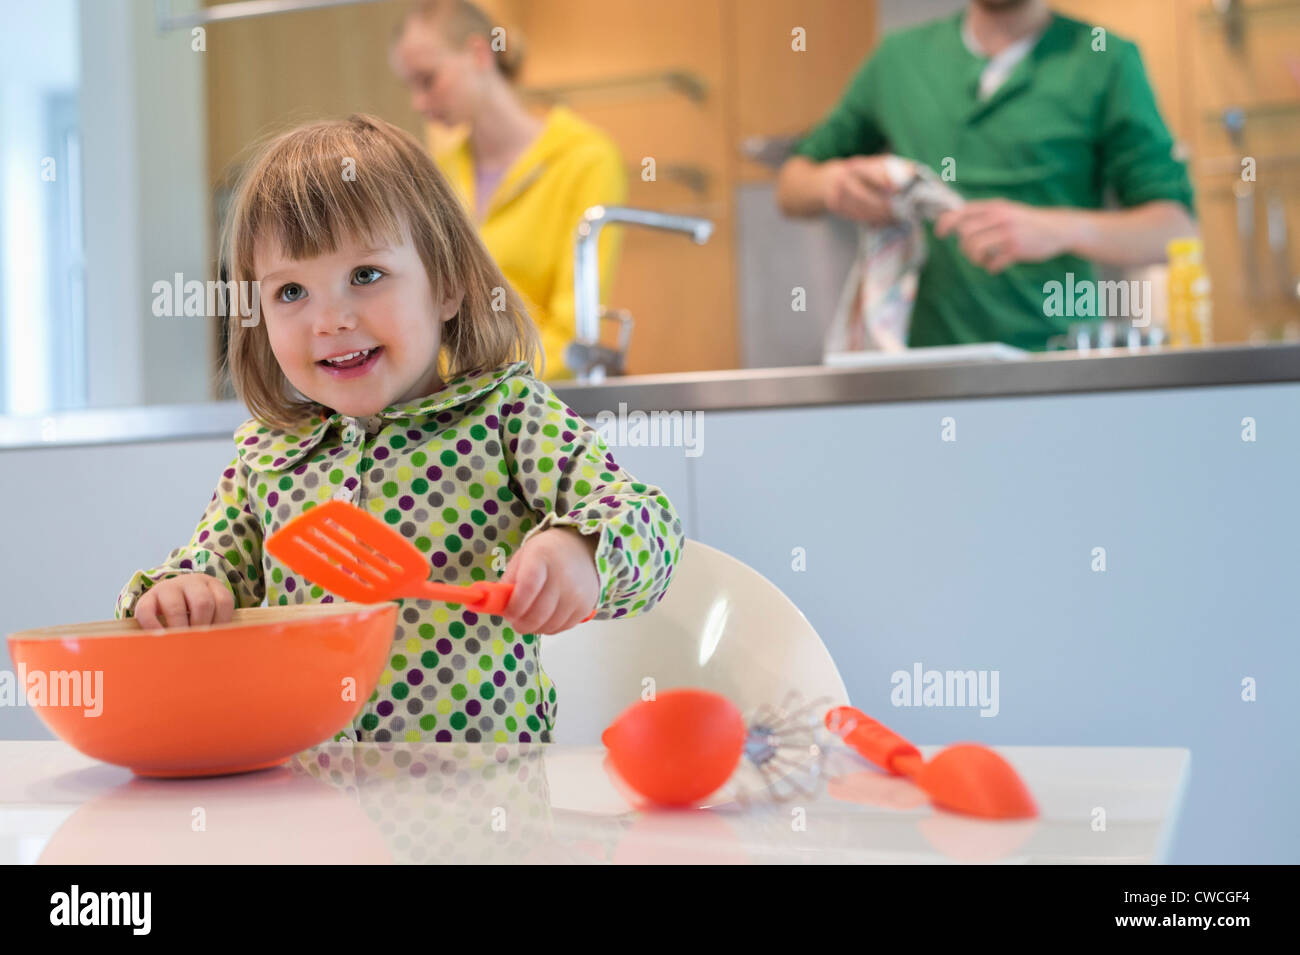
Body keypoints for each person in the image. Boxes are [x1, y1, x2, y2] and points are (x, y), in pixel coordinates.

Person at [115, 114, 683, 744]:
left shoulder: (507, 417)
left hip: (484, 814)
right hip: (308, 811)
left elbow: (645, 521)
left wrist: (583, 551)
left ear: (448, 286)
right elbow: (212, 568)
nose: (330, 320)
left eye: (365, 276)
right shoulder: (266, 461)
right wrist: (181, 594)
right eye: (292, 292)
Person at [776, 0, 1197, 351]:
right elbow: (793, 183)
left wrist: (1057, 228)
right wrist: (834, 185)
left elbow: (1175, 232)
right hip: (923, 368)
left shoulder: (1105, 60)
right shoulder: (897, 61)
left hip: (1056, 361)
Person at [390, 0, 626, 378]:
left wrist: (469, 385)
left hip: (538, 397)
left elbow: (574, 332)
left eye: (428, 79)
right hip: (450, 400)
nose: (419, 102)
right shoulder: (437, 169)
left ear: (479, 53)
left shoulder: (586, 159)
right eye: (411, 86)